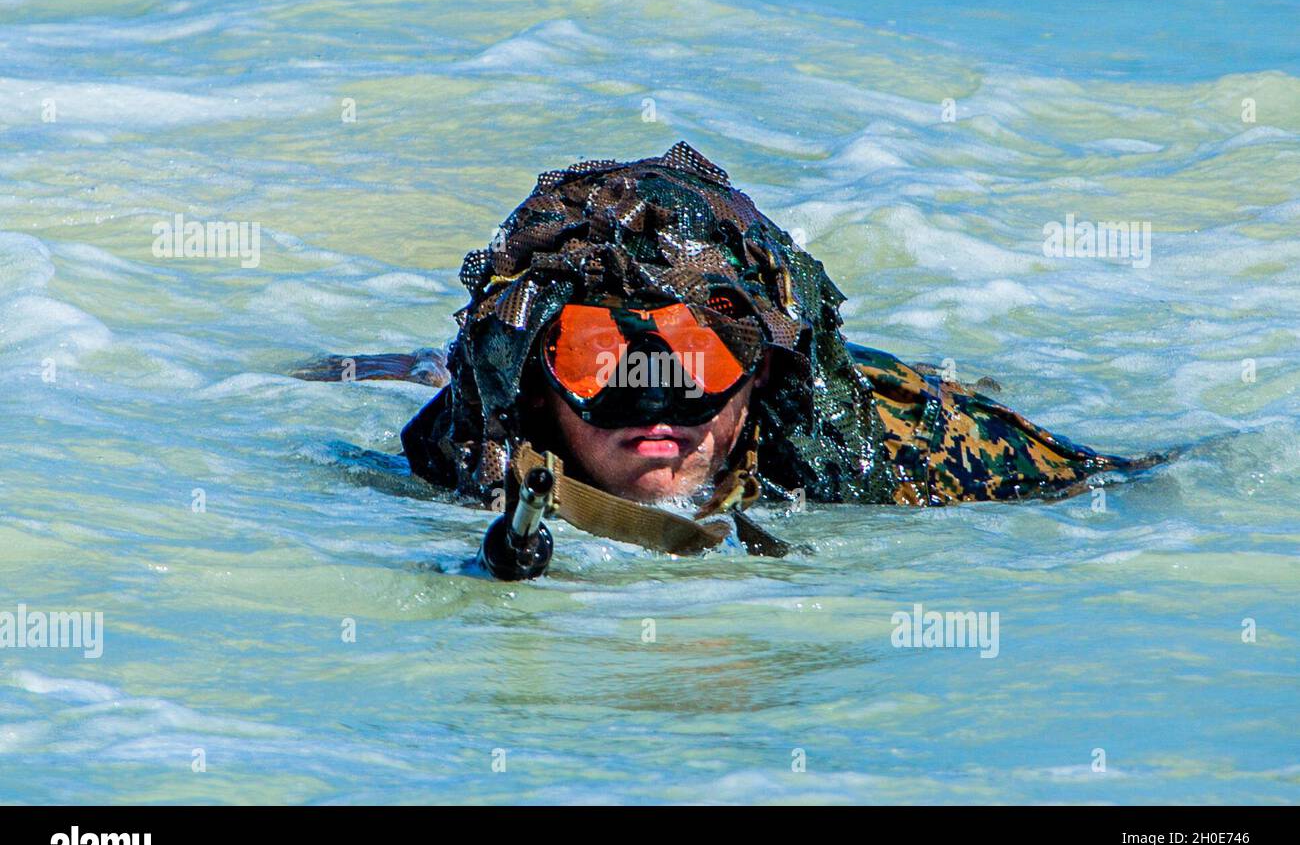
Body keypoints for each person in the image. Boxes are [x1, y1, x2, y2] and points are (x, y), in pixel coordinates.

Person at [331, 143, 1162, 556]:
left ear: (759, 369)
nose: (655, 402)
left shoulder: (907, 456)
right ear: (534, 384)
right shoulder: (460, 457)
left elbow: (1143, 482)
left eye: (698, 361)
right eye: (598, 359)